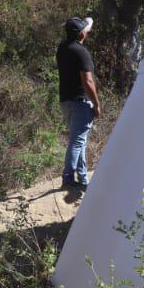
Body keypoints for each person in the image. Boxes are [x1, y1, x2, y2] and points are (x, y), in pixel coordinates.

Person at [57, 16, 102, 190]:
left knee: (80, 141)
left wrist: (88, 22)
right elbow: (88, 82)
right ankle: (68, 179)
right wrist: (96, 104)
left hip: (65, 101)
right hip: (81, 102)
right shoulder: (81, 52)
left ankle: (83, 179)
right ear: (82, 34)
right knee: (77, 142)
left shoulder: (62, 48)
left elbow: (86, 26)